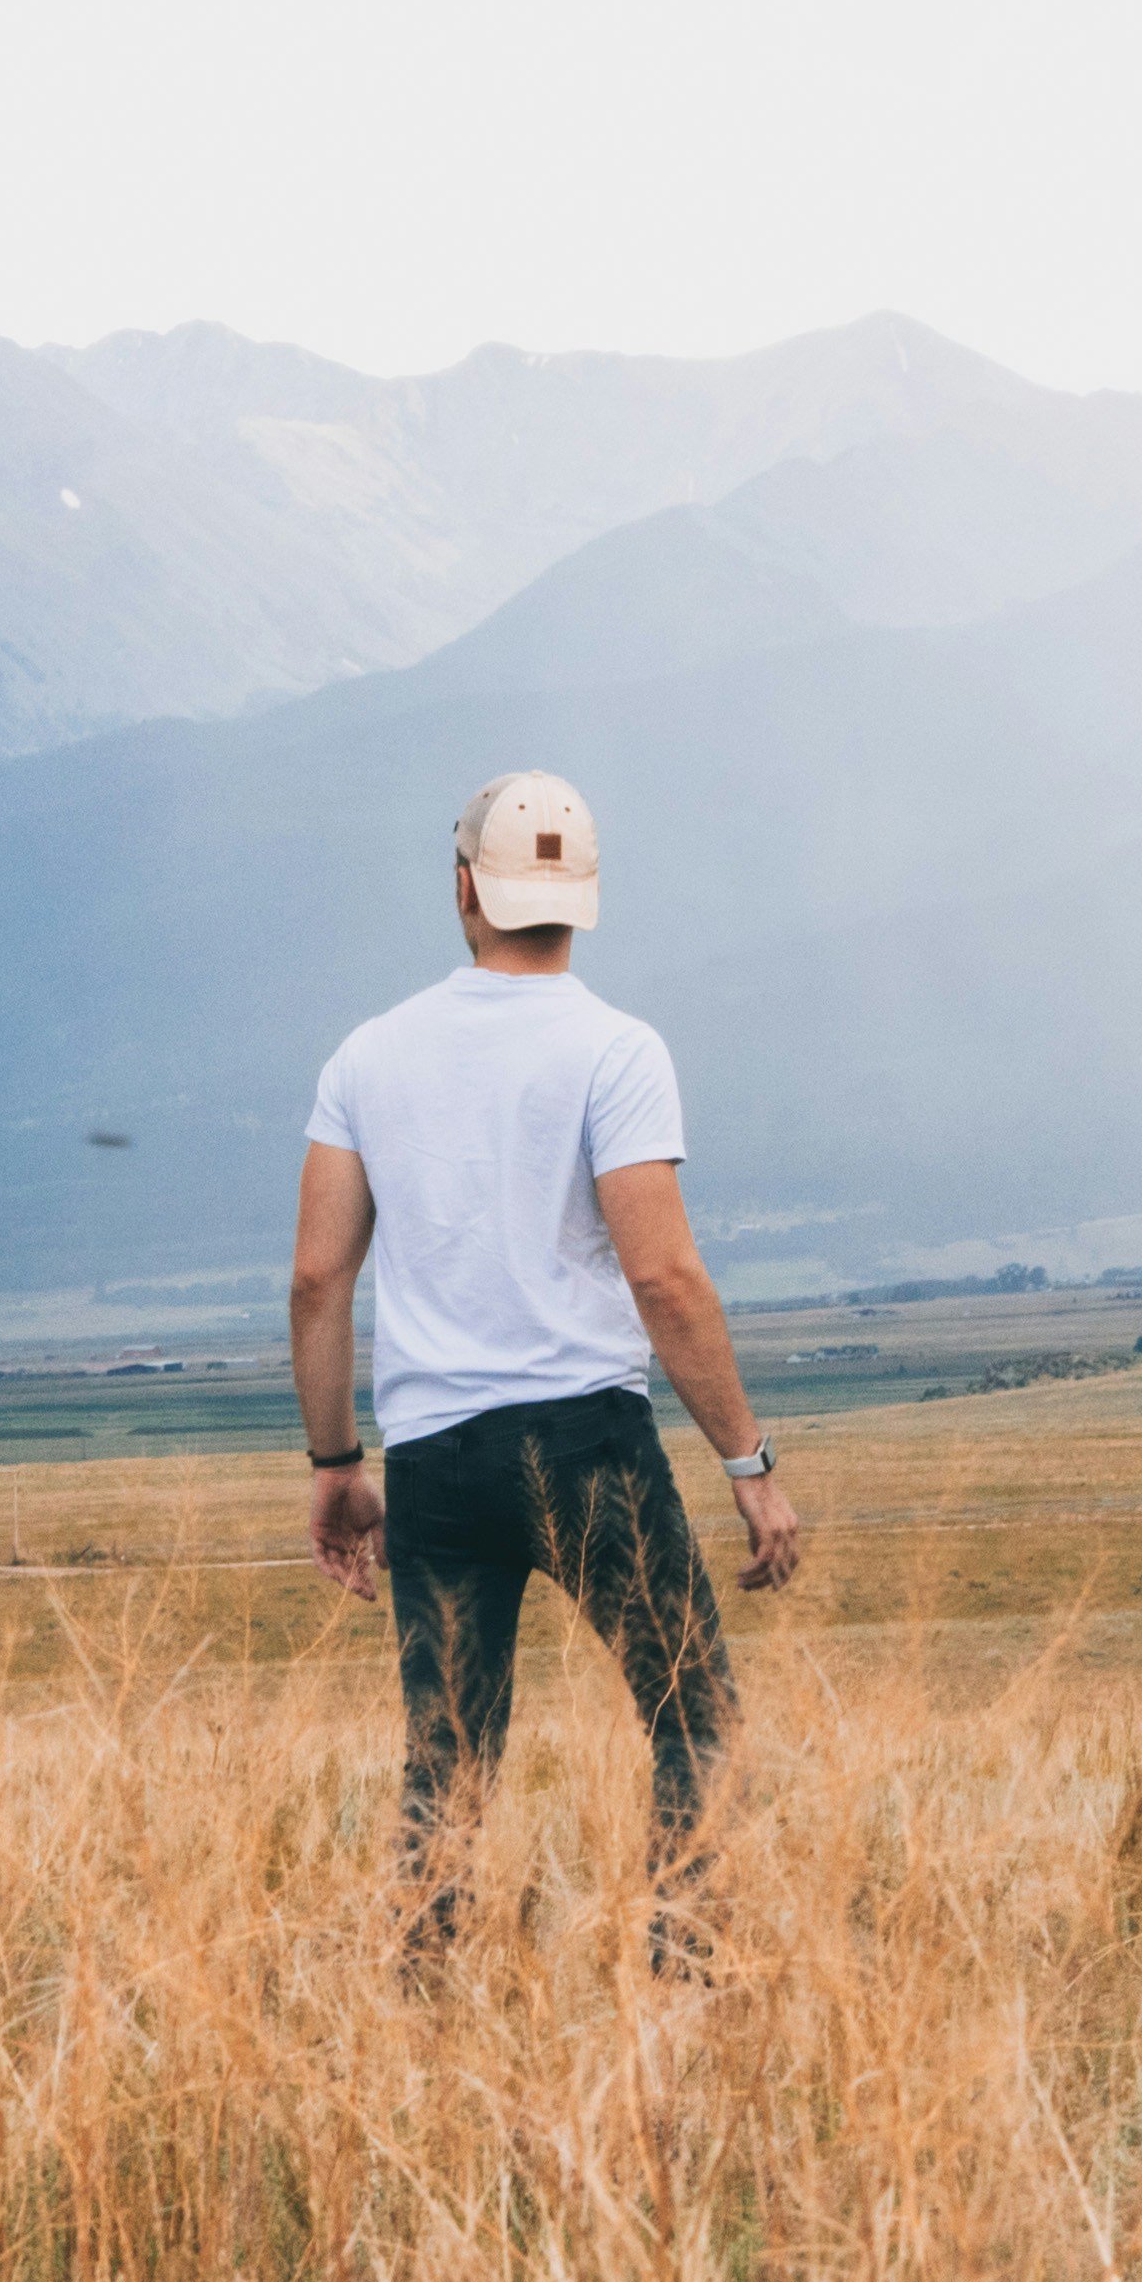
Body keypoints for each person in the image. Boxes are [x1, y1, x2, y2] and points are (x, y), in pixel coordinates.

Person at [288, 764, 804, 1967]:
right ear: (581, 899)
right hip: (587, 1447)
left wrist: (332, 1465)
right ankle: (682, 1977)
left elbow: (318, 1280)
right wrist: (747, 1463)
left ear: (465, 887)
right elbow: (664, 1279)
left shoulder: (364, 1057)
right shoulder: (615, 1051)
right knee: (692, 1713)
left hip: (433, 1462)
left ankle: (422, 2001)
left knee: (448, 1756)